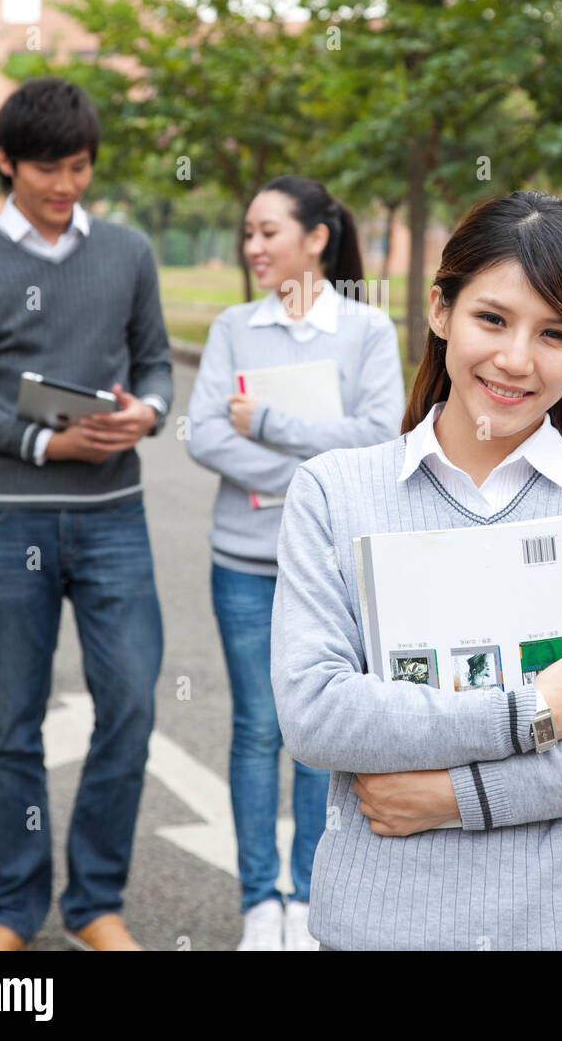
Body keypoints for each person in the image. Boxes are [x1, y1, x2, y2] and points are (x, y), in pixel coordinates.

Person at [271, 188, 562, 952]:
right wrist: (532, 713)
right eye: (492, 319)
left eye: (555, 333)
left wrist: (459, 796)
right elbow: (317, 712)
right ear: (440, 310)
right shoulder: (334, 492)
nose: (515, 360)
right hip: (384, 928)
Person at [0, 77, 173, 952]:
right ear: (5, 162)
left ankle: (96, 902)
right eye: (47, 169)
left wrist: (148, 413)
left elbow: (155, 365)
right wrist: (41, 445)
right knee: (13, 723)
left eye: (79, 167)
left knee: (133, 704)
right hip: (11, 520)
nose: (66, 185)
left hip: (117, 518)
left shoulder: (129, 253)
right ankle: (11, 911)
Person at [186, 175, 405, 950]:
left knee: (324, 739)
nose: (252, 248)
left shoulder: (368, 331)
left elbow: (382, 438)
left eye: (267, 232)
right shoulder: (232, 329)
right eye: (247, 233)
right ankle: (259, 903)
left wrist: (272, 424)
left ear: (316, 238)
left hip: (331, 570)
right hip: (243, 560)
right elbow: (204, 434)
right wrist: (317, 465)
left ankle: (313, 903)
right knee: (255, 729)